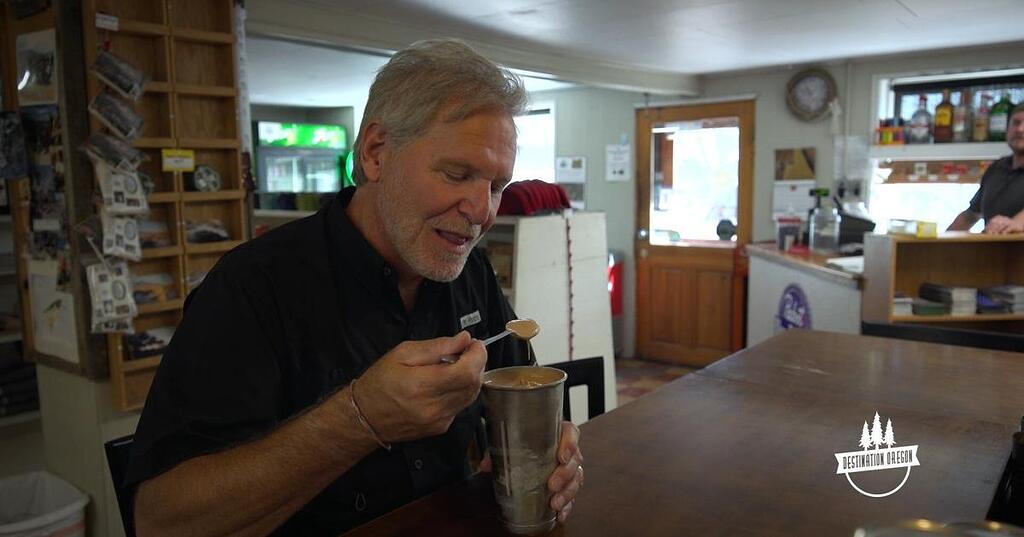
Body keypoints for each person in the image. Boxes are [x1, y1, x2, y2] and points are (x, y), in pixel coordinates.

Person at [126, 39, 584, 536]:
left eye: (496, 187)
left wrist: (554, 450)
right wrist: (359, 417)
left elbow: (519, 395)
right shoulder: (253, 287)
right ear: (375, 153)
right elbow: (160, 521)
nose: (482, 212)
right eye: (457, 174)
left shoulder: (471, 272)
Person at [948, 103, 1024, 234]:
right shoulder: (996, 169)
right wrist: (941, 240)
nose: (1020, 129)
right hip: (992, 246)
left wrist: (1016, 223)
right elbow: (970, 215)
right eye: (1016, 123)